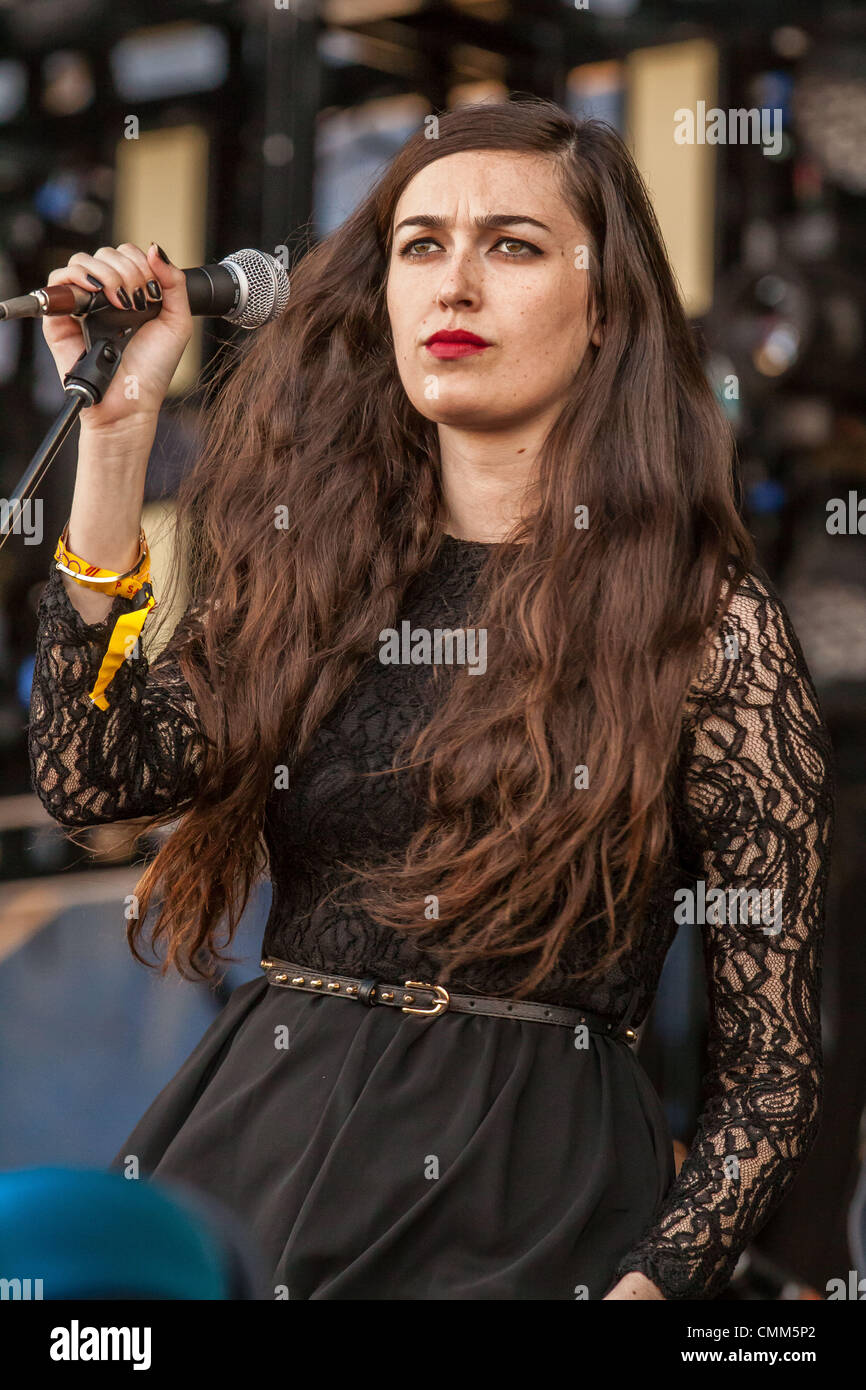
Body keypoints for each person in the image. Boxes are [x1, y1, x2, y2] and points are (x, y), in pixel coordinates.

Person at [29, 98, 835, 1301]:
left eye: (510, 245)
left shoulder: (704, 627)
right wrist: (116, 429)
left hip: (529, 1195)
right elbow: (92, 774)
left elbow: (768, 1077)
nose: (452, 283)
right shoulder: (318, 575)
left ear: (603, 306)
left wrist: (648, 1286)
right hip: (263, 1141)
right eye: (419, 245)